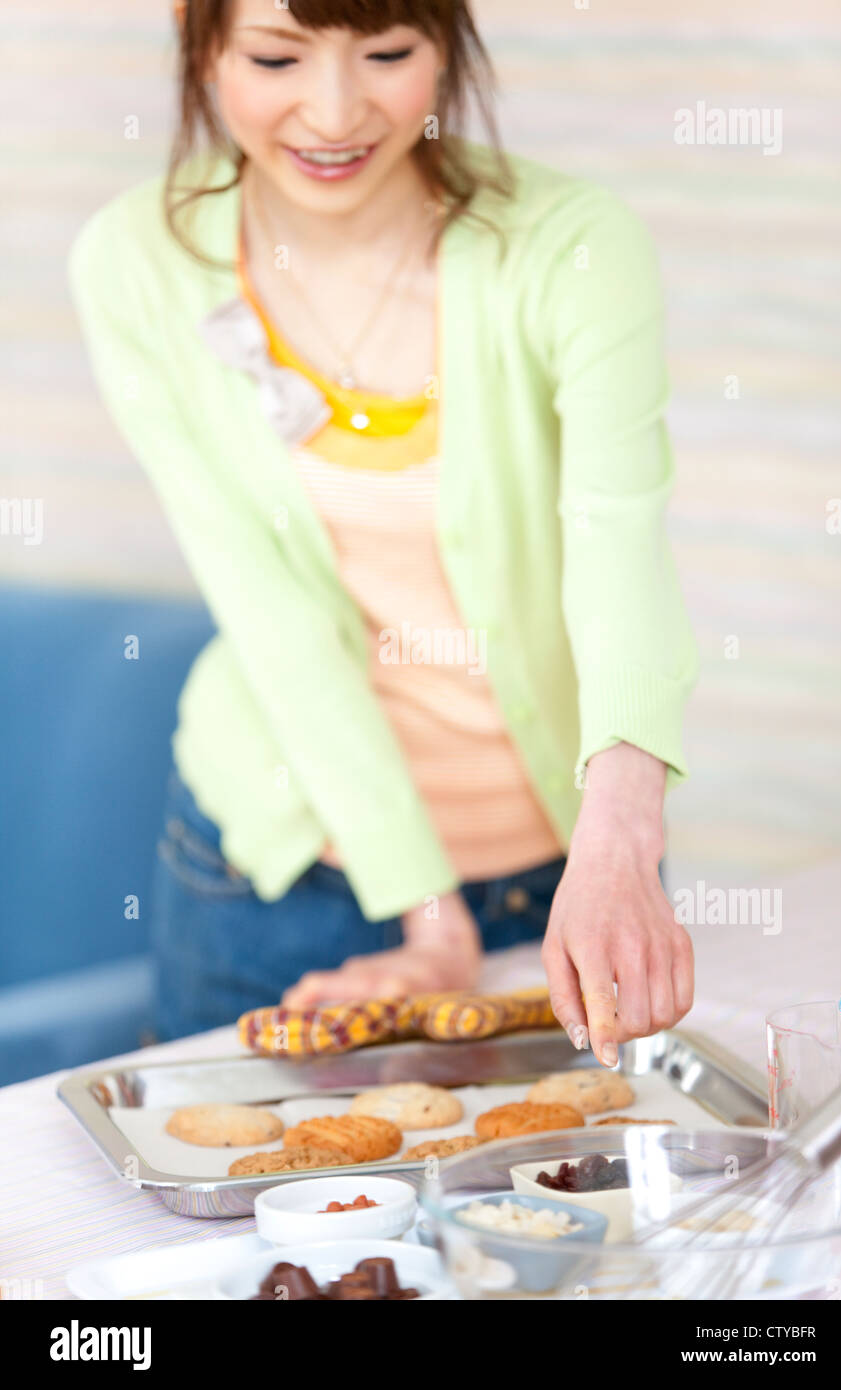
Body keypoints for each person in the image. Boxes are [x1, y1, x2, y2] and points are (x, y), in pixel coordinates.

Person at [68, 0, 699, 1067]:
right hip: (273, 883)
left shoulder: (567, 249)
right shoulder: (136, 261)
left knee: (563, 1213)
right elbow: (265, 601)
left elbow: (617, 546)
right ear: (202, 42)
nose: (332, 111)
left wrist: (621, 839)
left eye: (387, 54)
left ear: (448, 45)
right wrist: (425, 912)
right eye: (275, 57)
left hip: (567, 867)